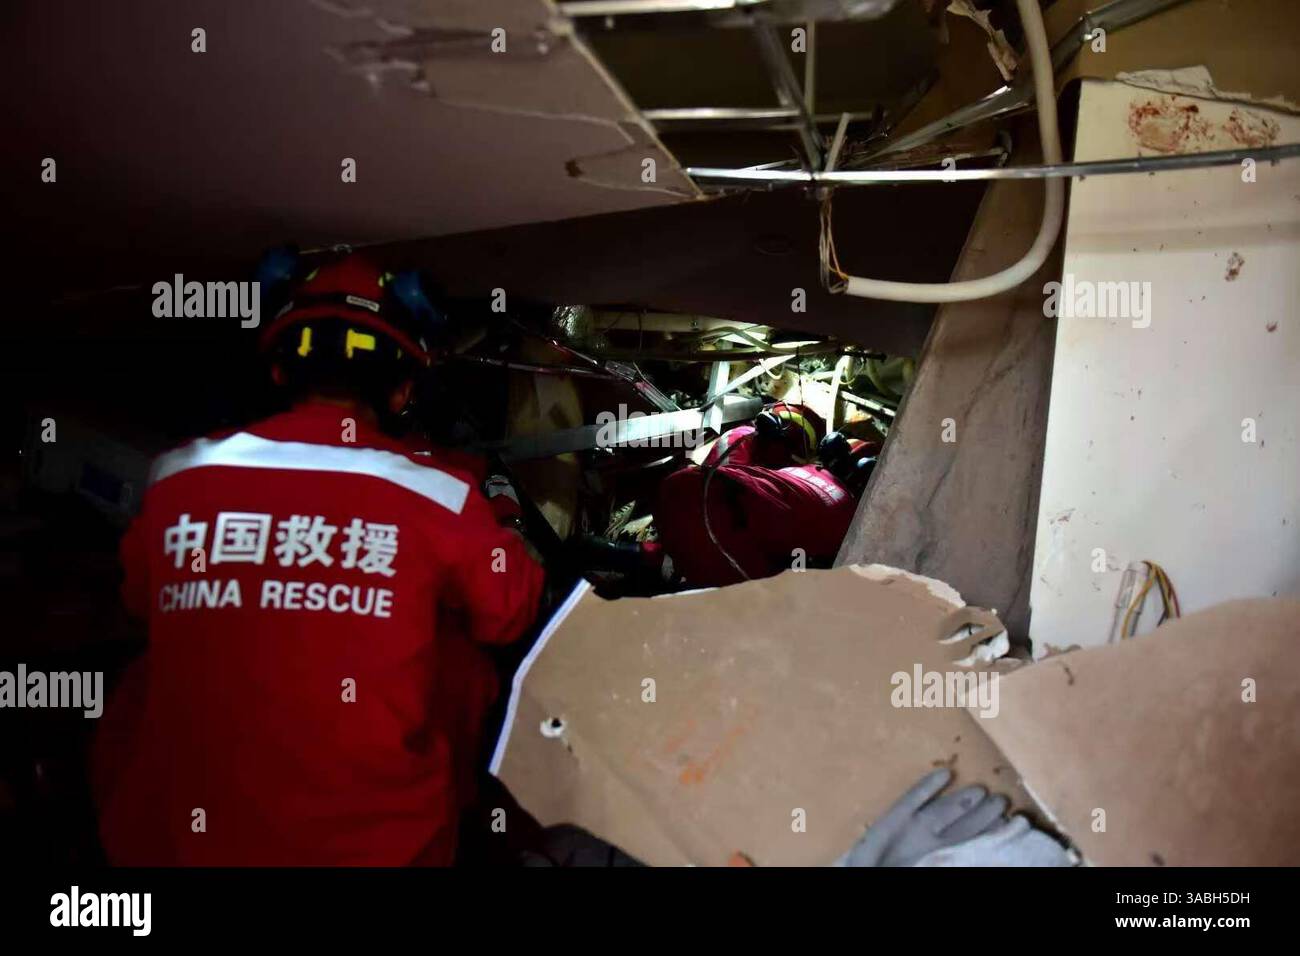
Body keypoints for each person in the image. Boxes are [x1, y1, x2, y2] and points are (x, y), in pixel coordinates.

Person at [92, 252, 544, 865]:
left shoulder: (177, 477)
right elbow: (512, 614)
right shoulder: (440, 495)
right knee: (463, 659)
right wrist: (508, 521)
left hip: (173, 848)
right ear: (403, 386)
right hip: (380, 852)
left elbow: (139, 600)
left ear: (280, 371)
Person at [651, 408, 879, 587]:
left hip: (679, 486)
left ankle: (625, 556)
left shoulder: (807, 472)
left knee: (679, 561)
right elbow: (802, 558)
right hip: (717, 520)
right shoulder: (847, 521)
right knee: (763, 598)